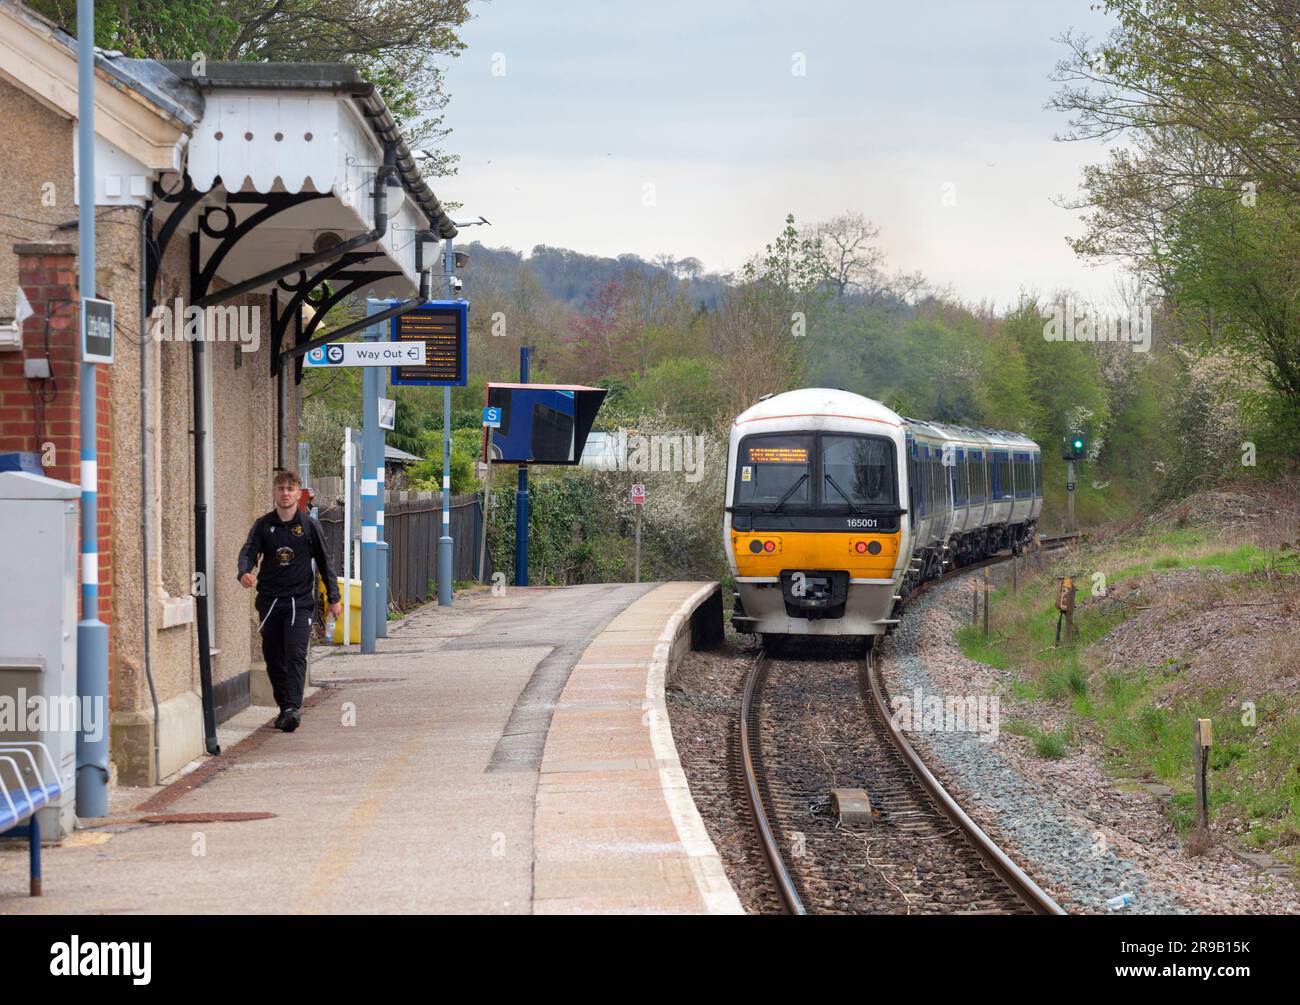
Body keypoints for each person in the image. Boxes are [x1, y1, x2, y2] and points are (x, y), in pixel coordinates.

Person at [238, 470, 341, 732]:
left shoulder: (308, 525)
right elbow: (249, 551)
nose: (285, 493)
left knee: (295, 654)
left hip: (299, 602)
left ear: (298, 493)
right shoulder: (264, 525)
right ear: (274, 492)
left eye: (290, 488)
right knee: (274, 658)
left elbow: (324, 562)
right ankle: (285, 707)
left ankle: (293, 708)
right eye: (281, 488)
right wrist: (245, 571)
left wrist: (334, 598)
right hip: (271, 601)